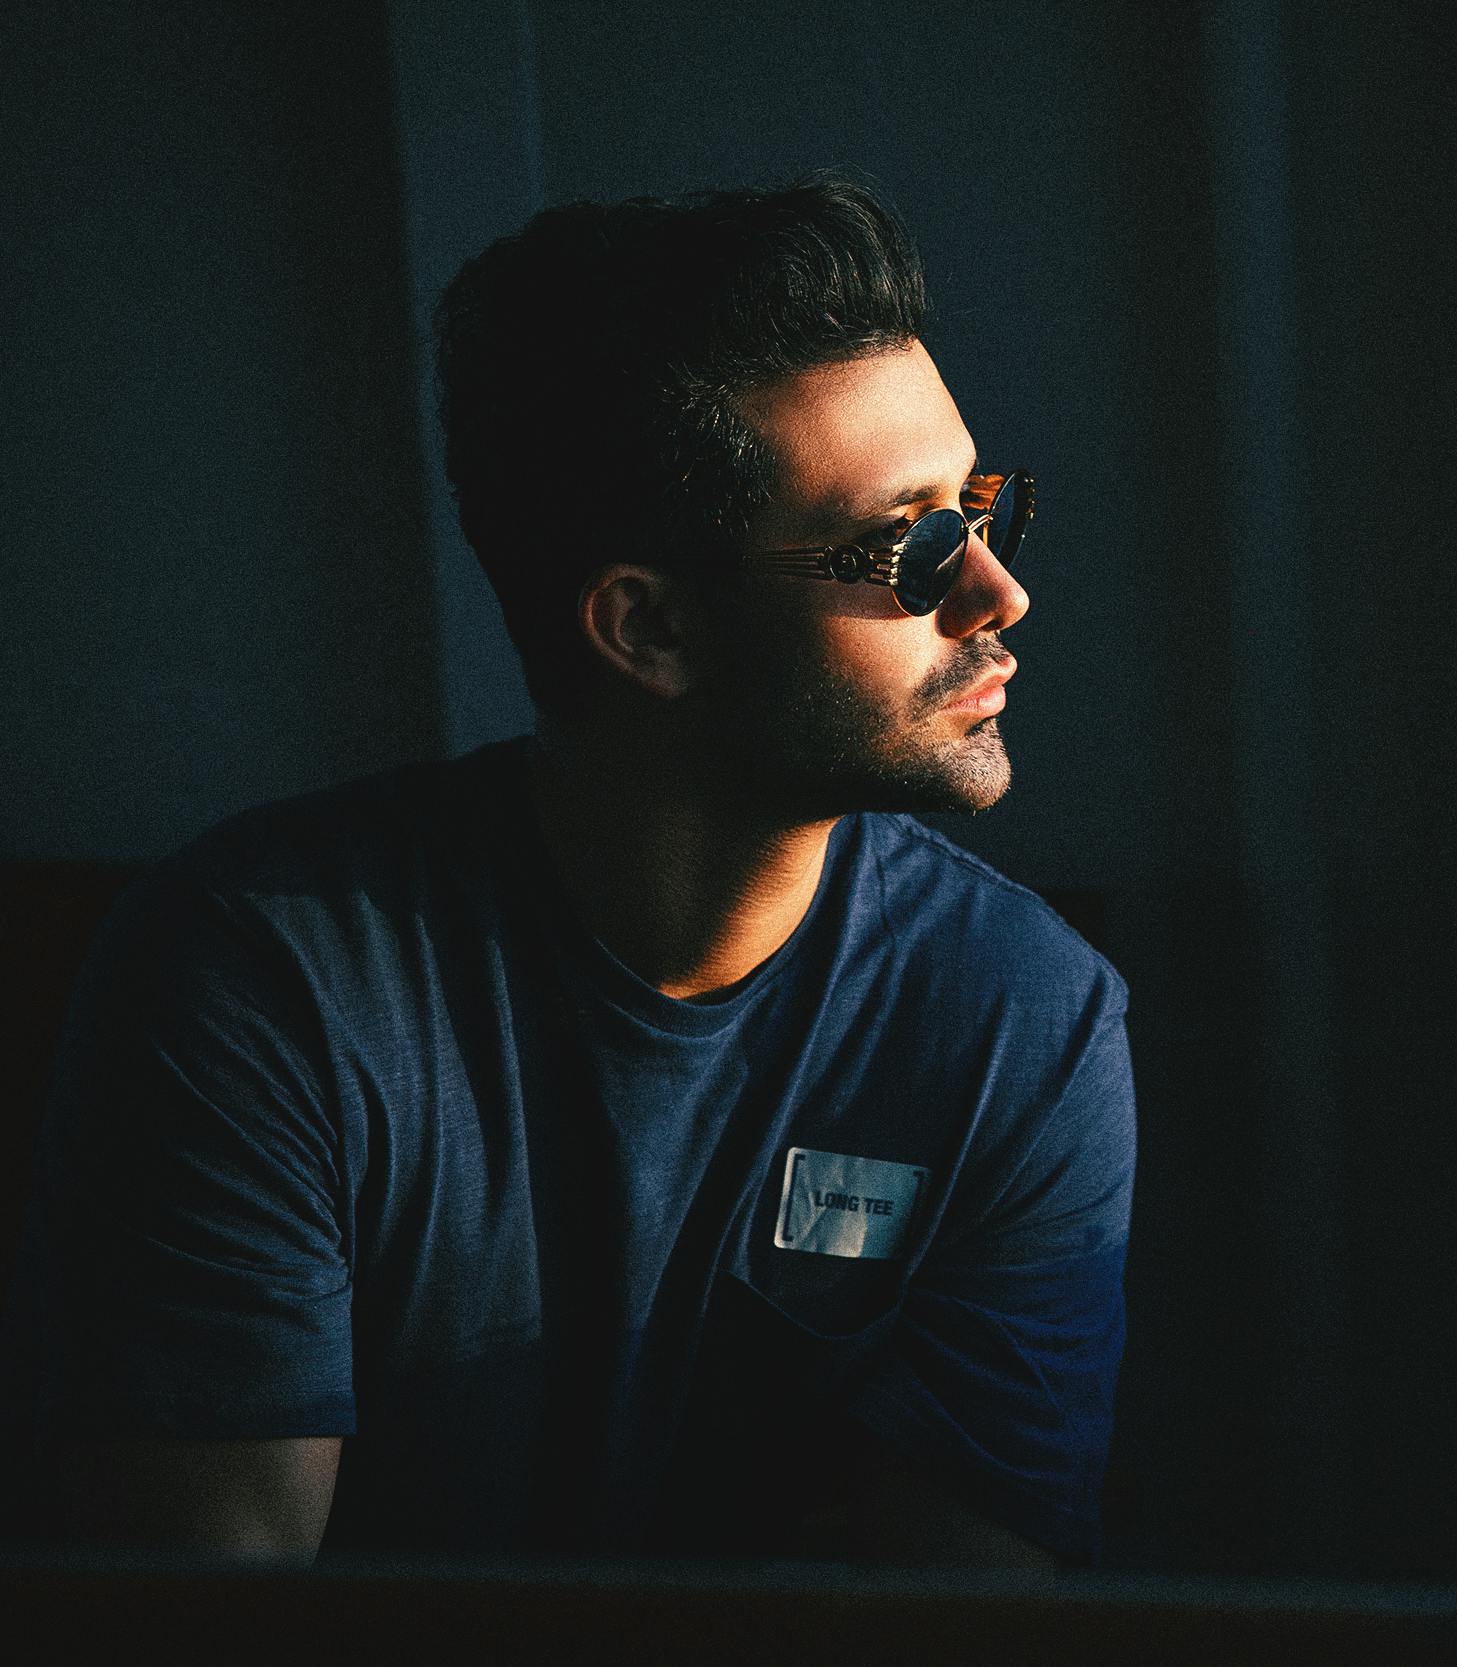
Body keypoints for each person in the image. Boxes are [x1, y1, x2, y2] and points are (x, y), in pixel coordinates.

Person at [4, 177, 1133, 1568]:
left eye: (976, 507)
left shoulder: (1025, 1016)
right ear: (647, 630)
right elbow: (213, 1620)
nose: (997, 593)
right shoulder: (262, 980)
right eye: (912, 547)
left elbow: (964, 1614)